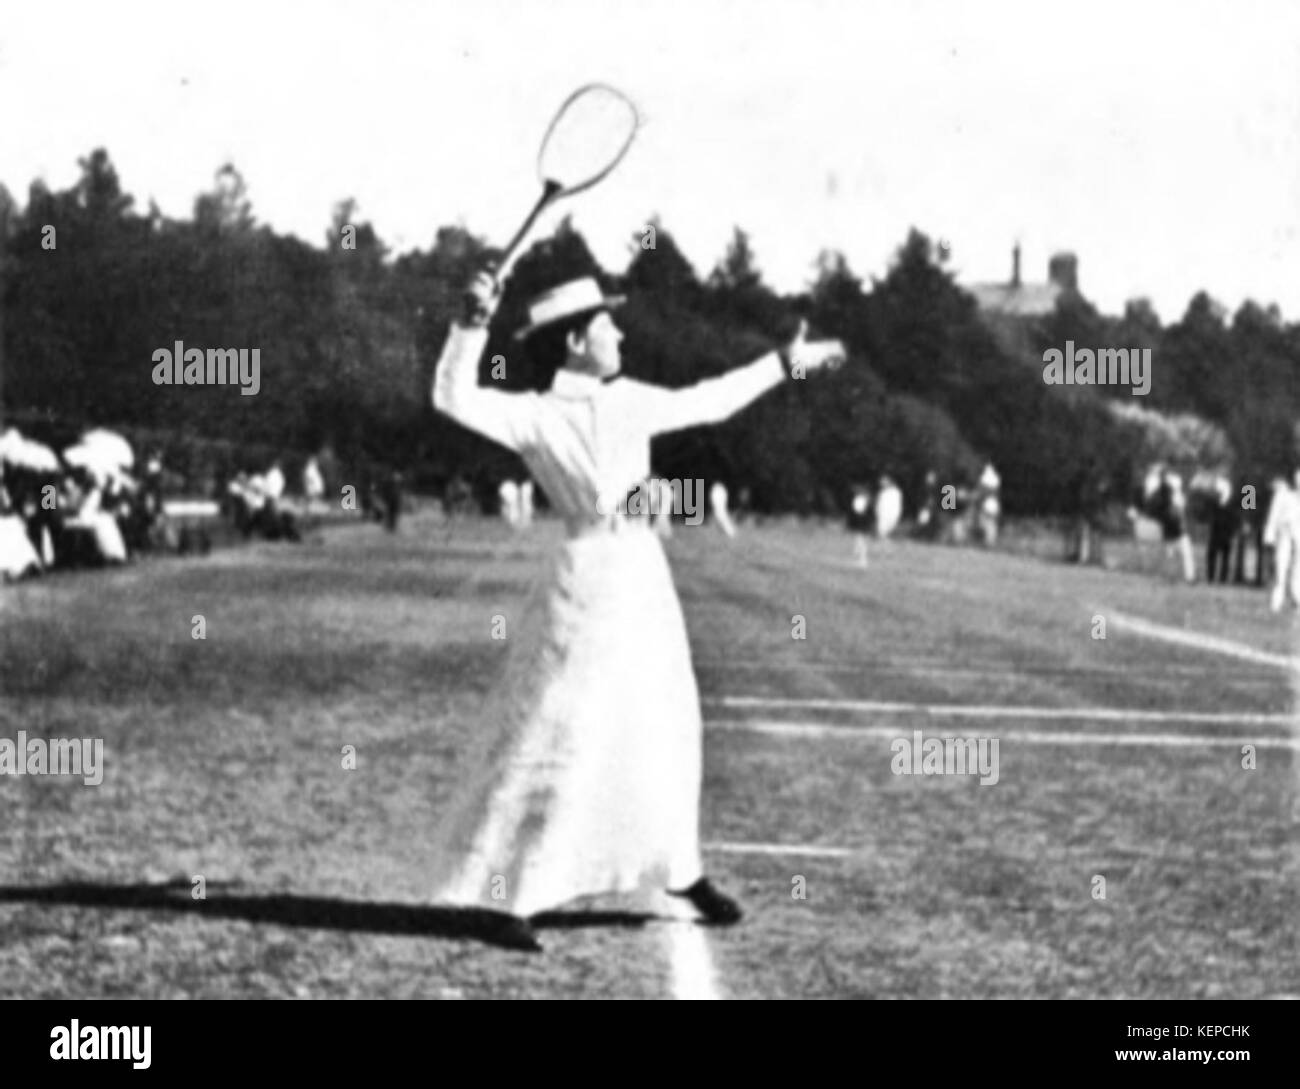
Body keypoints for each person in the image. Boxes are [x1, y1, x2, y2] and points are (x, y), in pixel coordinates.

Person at [427, 269, 843, 948]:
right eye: (603, 324)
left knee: (666, 721)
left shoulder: (632, 401)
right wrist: (471, 322)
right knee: (555, 733)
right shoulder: (533, 413)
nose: (618, 332)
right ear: (574, 343)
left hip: (641, 580)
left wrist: (781, 364)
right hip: (580, 587)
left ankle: (681, 869)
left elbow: (711, 400)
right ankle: (513, 895)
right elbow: (451, 395)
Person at [1263, 473, 1300, 611]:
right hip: (1284, 534)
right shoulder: (1284, 496)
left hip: (1298, 535)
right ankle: (1276, 601)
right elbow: (1273, 515)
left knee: (1298, 570)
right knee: (1281, 568)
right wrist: (1269, 535)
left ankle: (1297, 598)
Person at [1206, 476, 1239, 584]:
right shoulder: (1215, 500)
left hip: (1224, 529)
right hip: (1218, 529)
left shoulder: (1228, 500)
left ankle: (1221, 578)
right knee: (1215, 554)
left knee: (1223, 554)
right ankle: (1213, 577)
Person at [847, 484, 871, 567]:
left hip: (860, 522)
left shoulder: (860, 499)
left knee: (860, 540)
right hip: (862, 522)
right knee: (859, 540)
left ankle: (861, 560)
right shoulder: (863, 499)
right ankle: (859, 558)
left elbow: (858, 511)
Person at [874, 474, 902, 540]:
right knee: (881, 530)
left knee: (888, 529)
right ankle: (882, 541)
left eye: (884, 481)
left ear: (888, 481)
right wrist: (877, 511)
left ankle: (883, 541)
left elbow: (897, 504)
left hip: (892, 514)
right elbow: (879, 503)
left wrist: (896, 514)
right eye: (881, 481)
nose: (882, 483)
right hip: (882, 514)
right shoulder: (882, 492)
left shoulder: (895, 492)